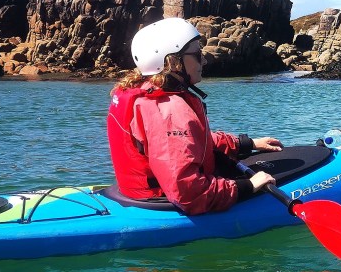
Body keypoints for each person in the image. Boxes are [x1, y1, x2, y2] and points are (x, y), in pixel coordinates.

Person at [107, 18, 283, 213]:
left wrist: (245, 144)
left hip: (136, 192)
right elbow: (187, 193)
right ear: (172, 62)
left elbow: (186, 143)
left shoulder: (142, 90)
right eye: (198, 54)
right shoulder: (167, 110)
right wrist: (248, 186)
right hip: (164, 199)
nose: (205, 60)